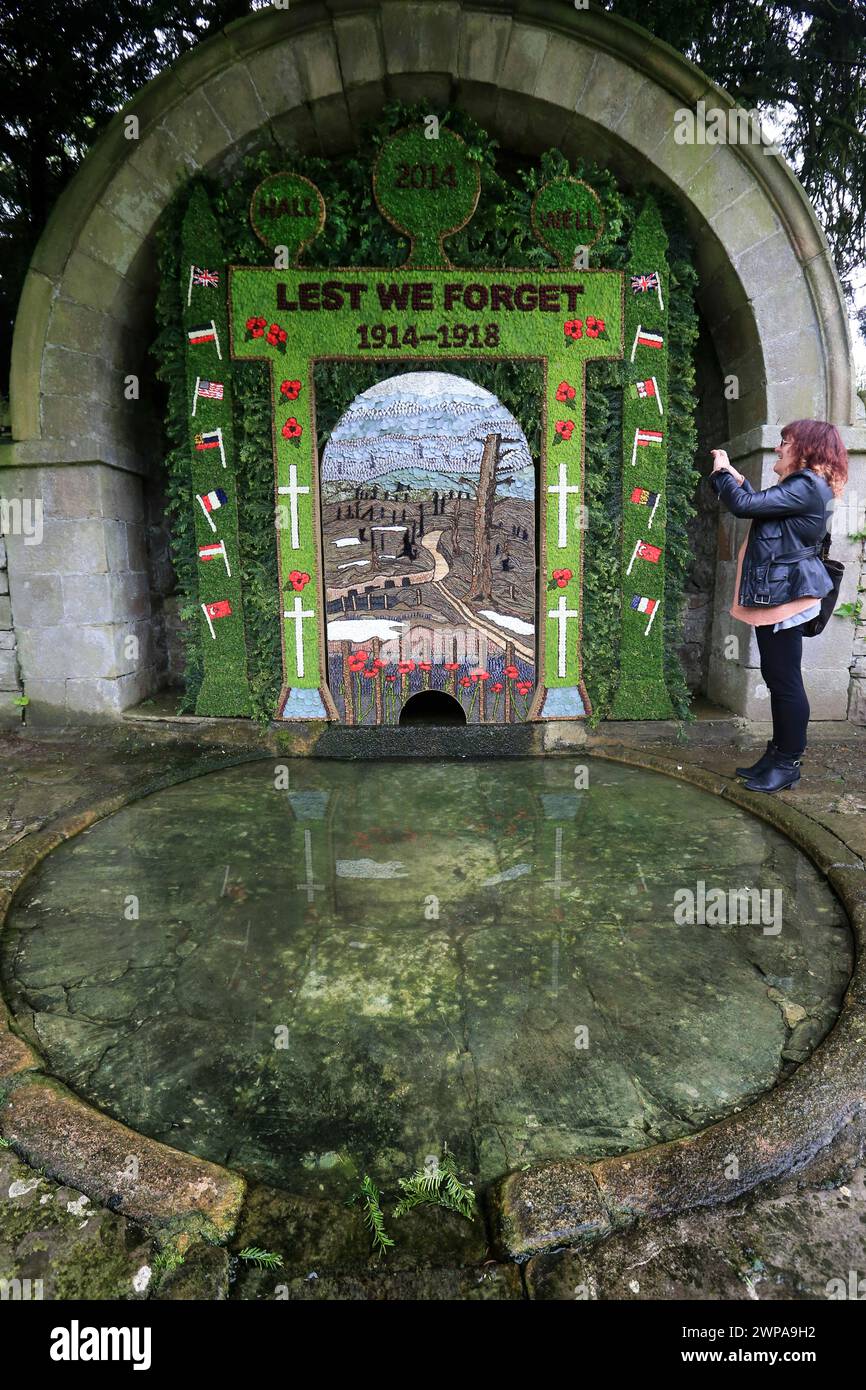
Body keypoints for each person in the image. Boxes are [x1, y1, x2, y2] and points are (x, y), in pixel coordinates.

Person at [709, 420, 848, 793]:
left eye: (785, 441)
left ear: (806, 448)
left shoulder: (805, 484)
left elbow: (743, 508)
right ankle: (776, 756)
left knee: (784, 681)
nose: (779, 447)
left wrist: (723, 474)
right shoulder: (803, 487)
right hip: (784, 593)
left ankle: (787, 763)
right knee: (777, 676)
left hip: (788, 596)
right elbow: (759, 507)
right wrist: (740, 481)